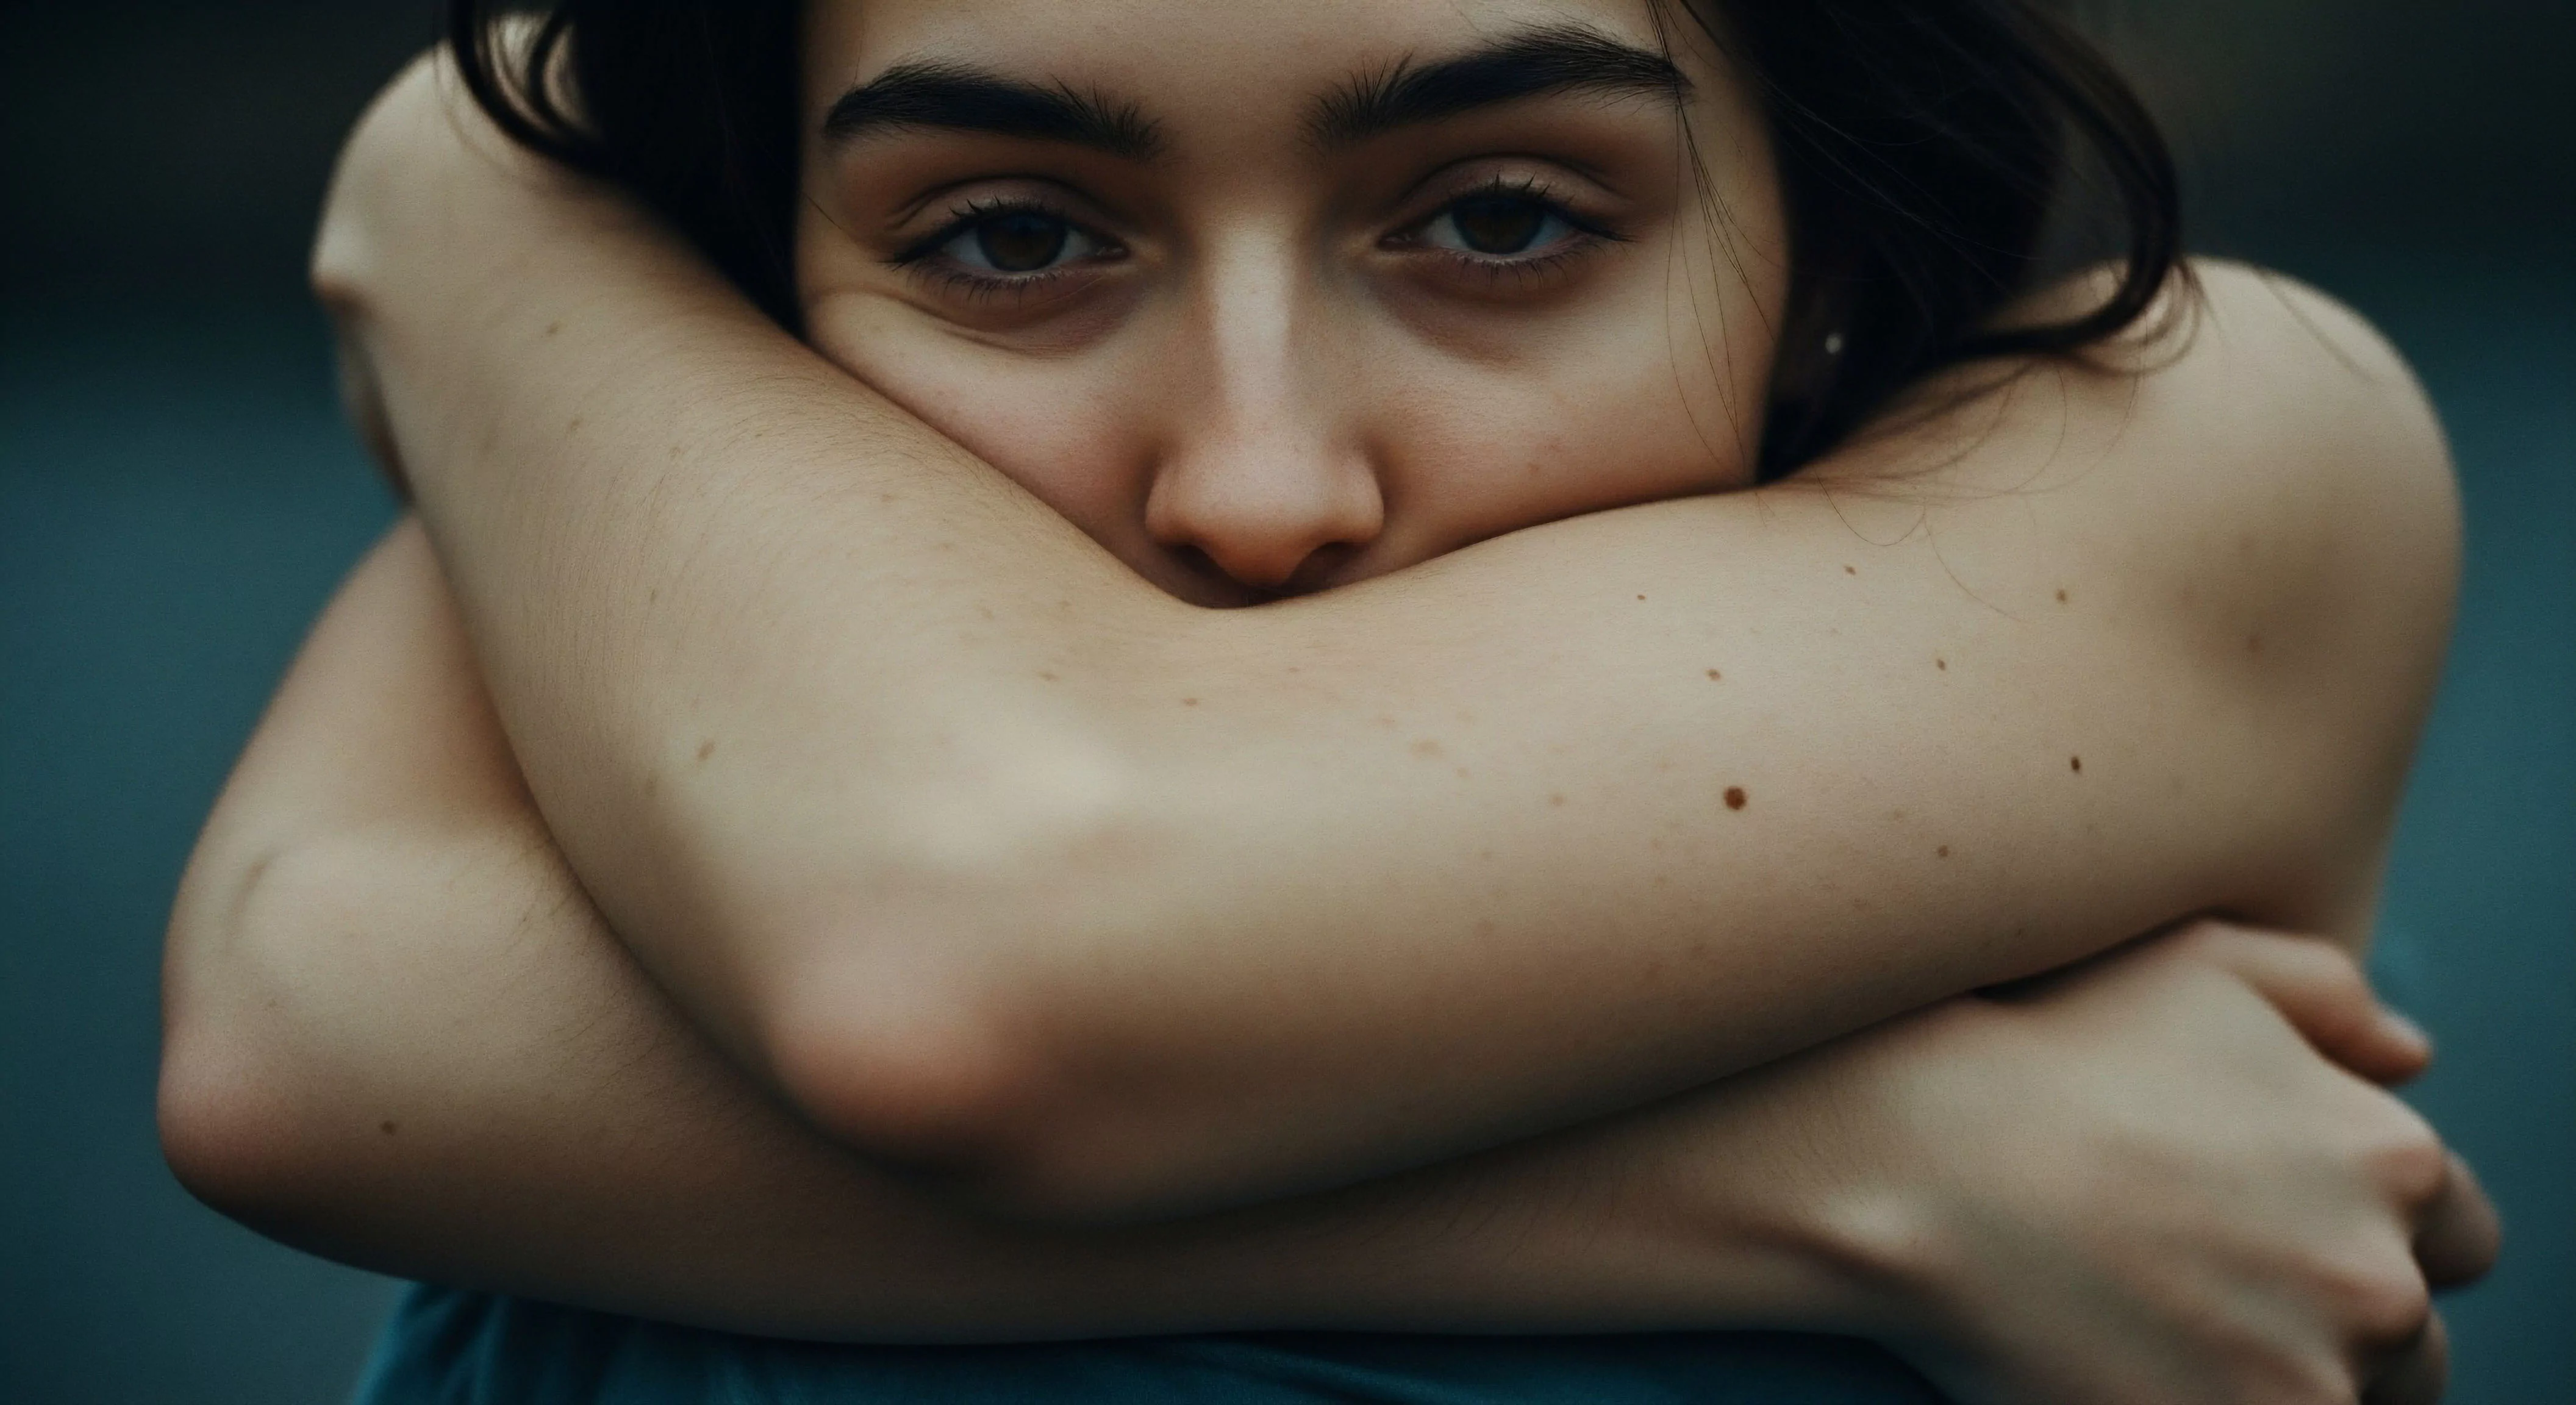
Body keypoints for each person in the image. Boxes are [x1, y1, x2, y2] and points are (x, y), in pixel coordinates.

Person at [158, 0, 2499, 1401]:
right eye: (1011, 235)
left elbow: (984, 958)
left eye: (1500, 222)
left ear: (1825, 246)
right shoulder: (698, 510)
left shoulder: (2210, 442)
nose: (1260, 483)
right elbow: (298, 1048)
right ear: (751, 267)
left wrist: (457, 199)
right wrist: (1863, 1173)